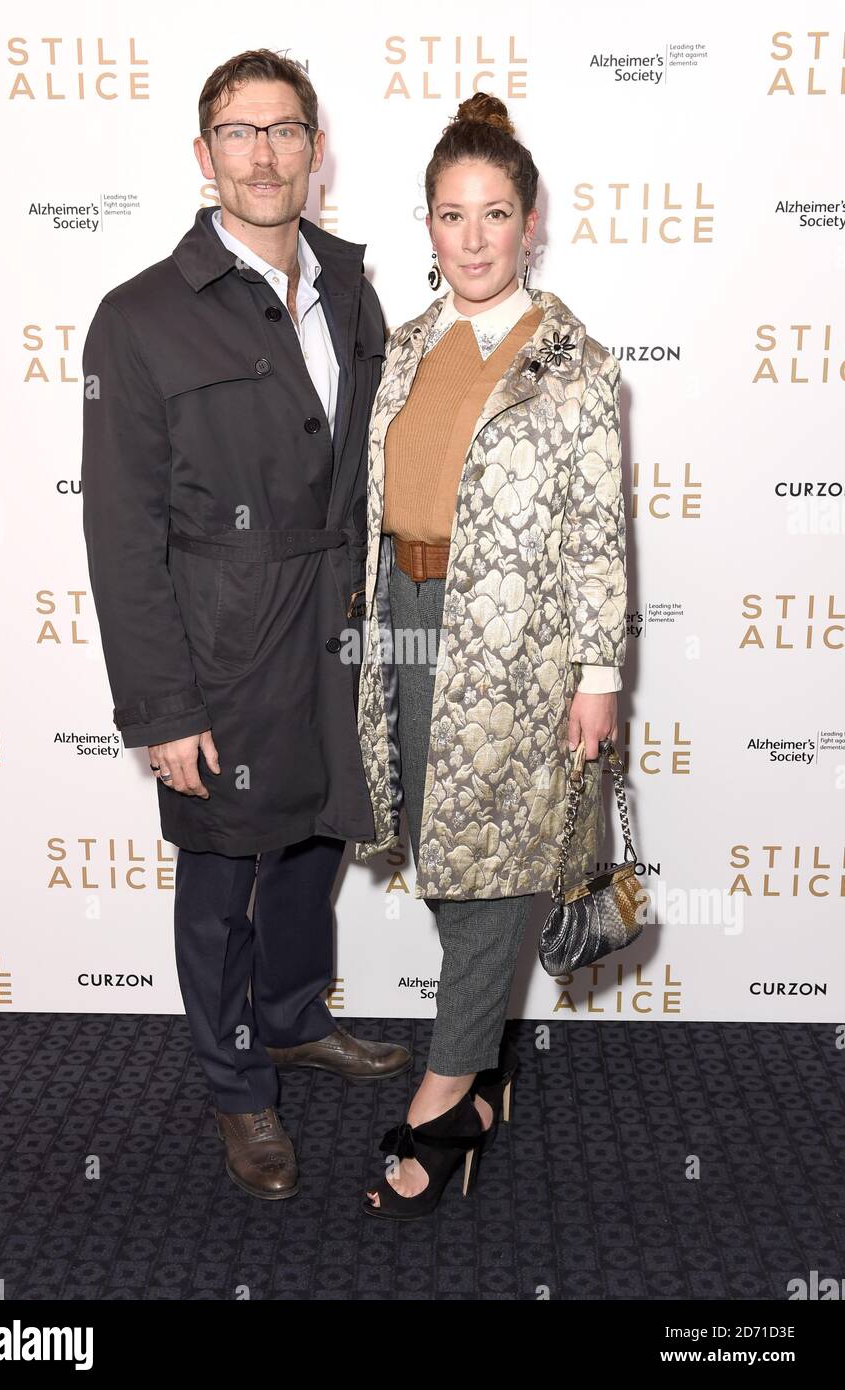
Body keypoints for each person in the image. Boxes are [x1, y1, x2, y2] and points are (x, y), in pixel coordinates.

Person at [80, 48, 412, 1203]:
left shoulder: (352, 287)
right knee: (224, 874)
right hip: (220, 645)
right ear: (203, 152)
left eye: (285, 131)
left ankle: (292, 1018)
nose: (264, 155)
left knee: (316, 838)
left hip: (338, 626)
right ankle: (236, 1086)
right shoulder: (139, 318)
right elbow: (120, 532)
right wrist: (162, 707)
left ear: (316, 150)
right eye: (239, 132)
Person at [354, 93, 627, 1217]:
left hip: (520, 647)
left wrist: (597, 675)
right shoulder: (405, 345)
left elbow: (597, 529)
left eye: (495, 214)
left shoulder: (575, 362)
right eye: (452, 215)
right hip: (402, 617)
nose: (473, 239)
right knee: (438, 846)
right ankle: (482, 1065)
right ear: (427, 224)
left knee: (496, 869)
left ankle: (448, 1097)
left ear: (530, 222)